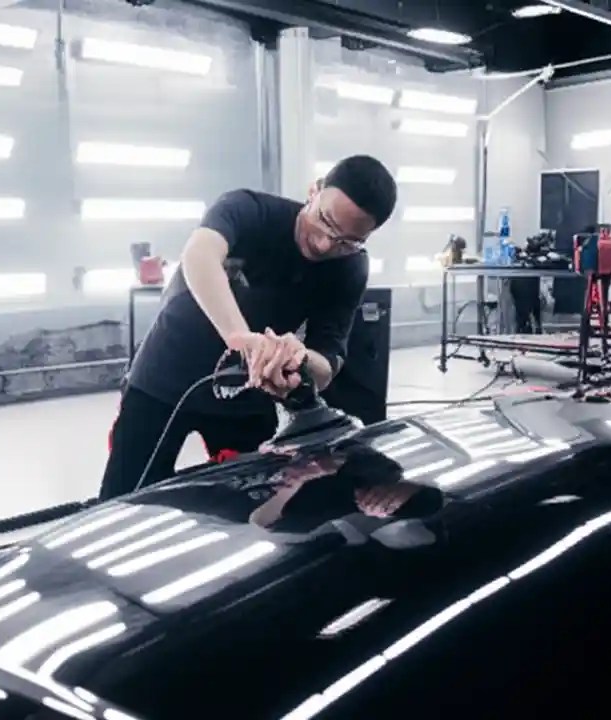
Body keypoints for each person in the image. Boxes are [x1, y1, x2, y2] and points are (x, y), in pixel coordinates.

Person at [99, 156, 397, 500]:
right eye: (325, 222)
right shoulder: (249, 210)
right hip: (164, 381)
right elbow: (199, 255)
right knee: (124, 502)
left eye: (348, 240)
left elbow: (328, 362)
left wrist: (300, 359)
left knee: (252, 511)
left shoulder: (349, 267)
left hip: (248, 392)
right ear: (314, 191)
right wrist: (240, 338)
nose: (327, 245)